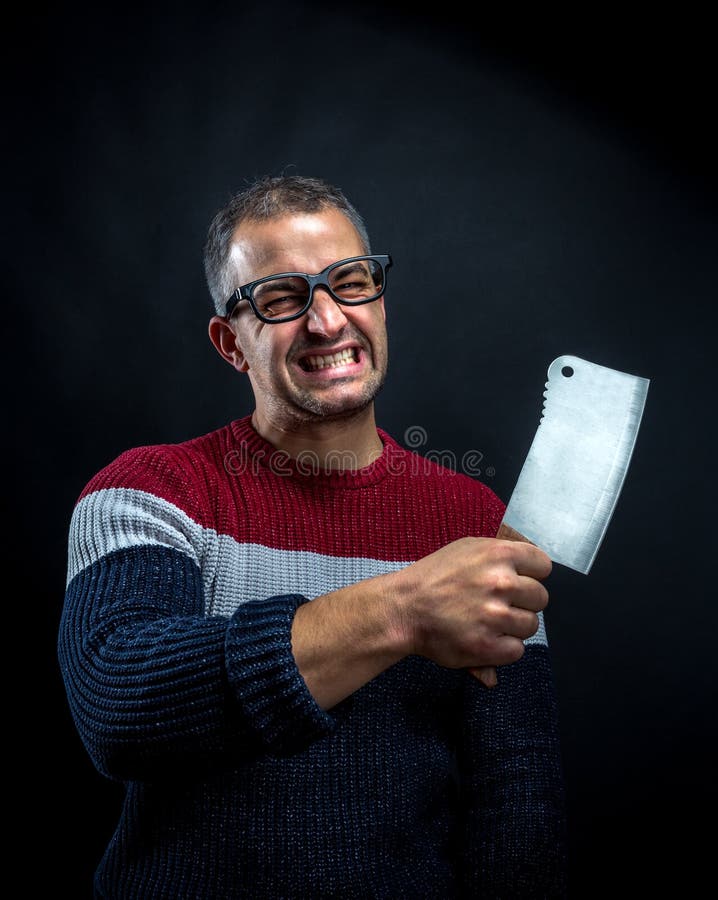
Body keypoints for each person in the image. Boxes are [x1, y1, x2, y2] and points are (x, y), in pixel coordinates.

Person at [58, 174, 568, 898]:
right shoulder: (148, 489)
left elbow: (519, 803)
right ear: (231, 343)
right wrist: (404, 612)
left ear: (379, 300)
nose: (328, 321)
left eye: (350, 282)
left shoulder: (475, 522)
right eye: (281, 298)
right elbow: (121, 704)